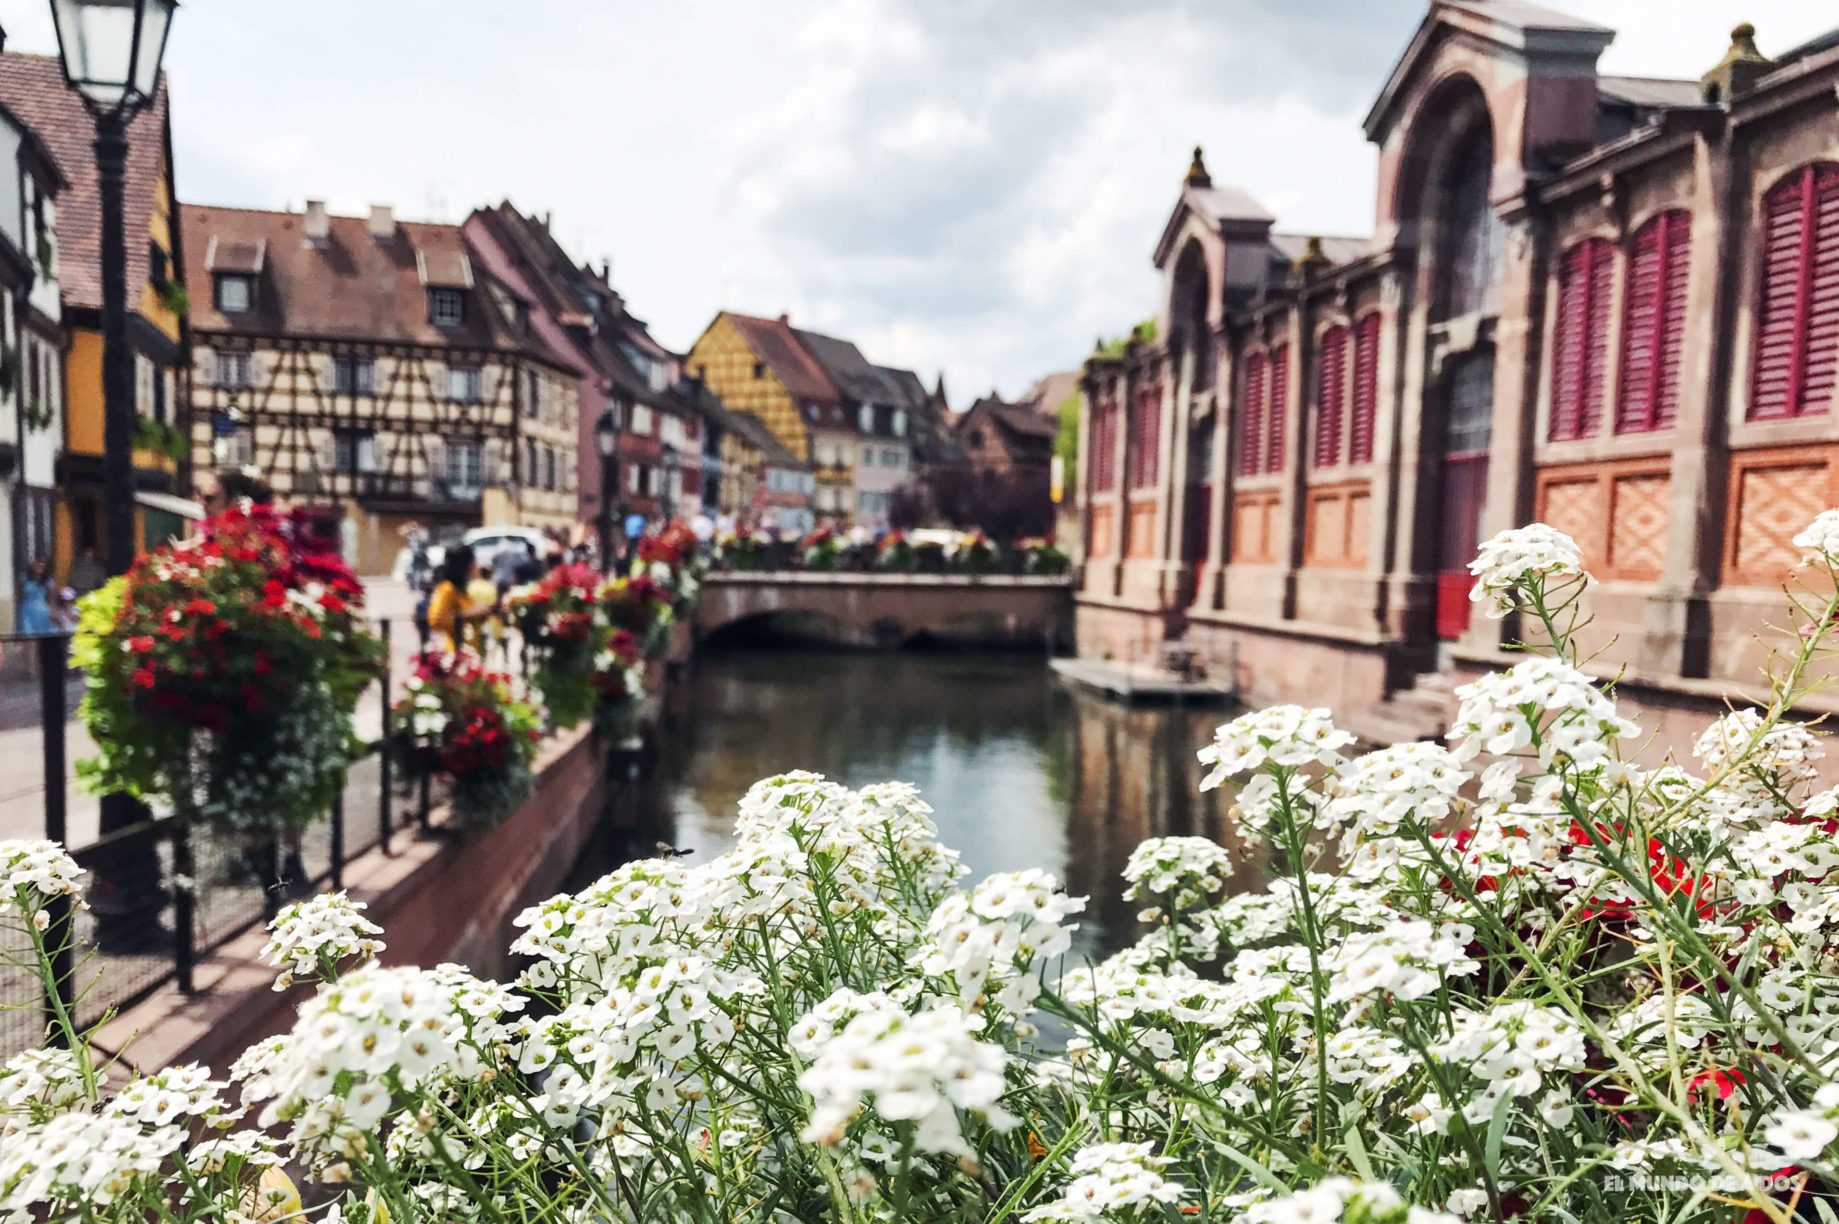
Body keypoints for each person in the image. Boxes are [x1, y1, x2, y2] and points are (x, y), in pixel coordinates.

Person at [424, 545, 478, 654]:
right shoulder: (447, 588)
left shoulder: (461, 590)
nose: (475, 567)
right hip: (452, 651)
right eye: (472, 563)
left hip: (467, 650)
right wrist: (466, 615)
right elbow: (435, 619)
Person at [465, 563, 502, 659]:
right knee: (485, 650)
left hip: (472, 622)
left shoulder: (471, 586)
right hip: (488, 622)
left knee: (473, 651)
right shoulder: (491, 587)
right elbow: (494, 605)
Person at [16, 557, 56, 635]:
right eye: (37, 565)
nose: (39, 568)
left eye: (42, 567)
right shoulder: (24, 579)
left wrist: (52, 612)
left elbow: (51, 599)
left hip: (42, 610)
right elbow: (19, 595)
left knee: (42, 633)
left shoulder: (48, 581)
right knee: (27, 632)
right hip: (27, 610)